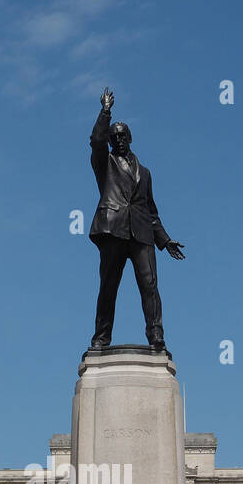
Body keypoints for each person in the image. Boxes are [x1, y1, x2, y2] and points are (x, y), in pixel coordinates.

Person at [88, 87, 185, 353]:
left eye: (122, 136)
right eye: (114, 137)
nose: (118, 140)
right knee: (108, 287)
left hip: (141, 233)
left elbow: (151, 211)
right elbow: (95, 140)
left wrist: (165, 240)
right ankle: (101, 337)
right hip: (113, 229)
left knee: (150, 286)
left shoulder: (145, 173)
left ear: (130, 138)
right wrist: (106, 111)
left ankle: (156, 337)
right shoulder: (104, 163)